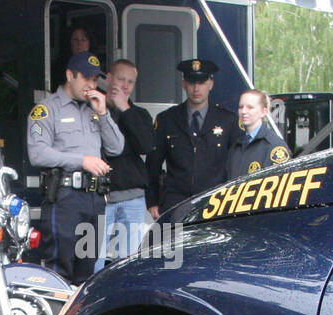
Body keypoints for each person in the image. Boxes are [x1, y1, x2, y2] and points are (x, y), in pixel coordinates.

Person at [27, 52, 123, 284]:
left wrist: (103, 112)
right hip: (65, 198)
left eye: (95, 80)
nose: (91, 85)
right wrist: (82, 161)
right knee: (60, 271)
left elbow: (117, 147)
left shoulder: (94, 109)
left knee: (86, 272)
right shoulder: (47, 109)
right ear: (70, 75)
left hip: (95, 199)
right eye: (86, 79)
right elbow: (37, 153)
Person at [146, 58, 240, 218]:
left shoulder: (228, 120)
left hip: (215, 202)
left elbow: (236, 165)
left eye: (202, 82)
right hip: (175, 203)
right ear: (184, 84)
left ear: (211, 84)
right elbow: (152, 165)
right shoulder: (167, 119)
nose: (196, 88)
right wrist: (152, 200)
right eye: (191, 82)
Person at [96, 59, 154, 272]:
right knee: (94, 260)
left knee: (129, 265)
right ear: (109, 78)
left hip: (133, 200)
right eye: (121, 79)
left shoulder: (139, 114)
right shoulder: (94, 109)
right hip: (101, 199)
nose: (126, 85)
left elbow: (147, 146)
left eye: (131, 81)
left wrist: (124, 108)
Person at [226, 88, 292, 180]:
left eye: (250, 107)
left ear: (263, 112)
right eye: (241, 107)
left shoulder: (274, 147)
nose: (244, 111)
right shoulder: (236, 146)